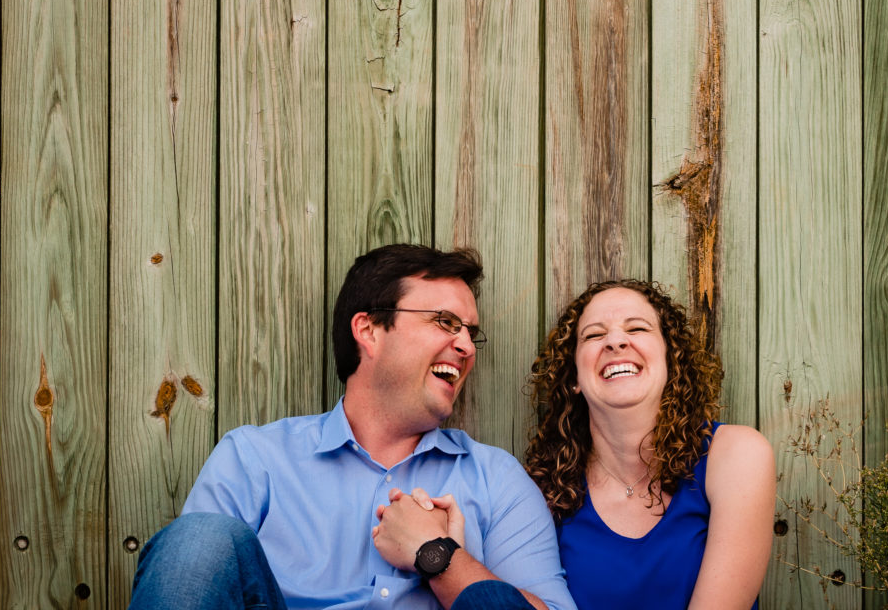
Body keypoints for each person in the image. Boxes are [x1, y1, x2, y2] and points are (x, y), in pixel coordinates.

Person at [130, 244, 575, 610]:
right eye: (445, 322)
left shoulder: (497, 480)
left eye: (469, 332)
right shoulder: (255, 460)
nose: (464, 345)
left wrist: (438, 557)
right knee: (199, 540)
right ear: (369, 330)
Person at [524, 279, 775, 610]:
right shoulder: (543, 492)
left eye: (637, 328)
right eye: (594, 335)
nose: (615, 341)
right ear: (572, 379)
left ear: (671, 359)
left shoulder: (734, 455)